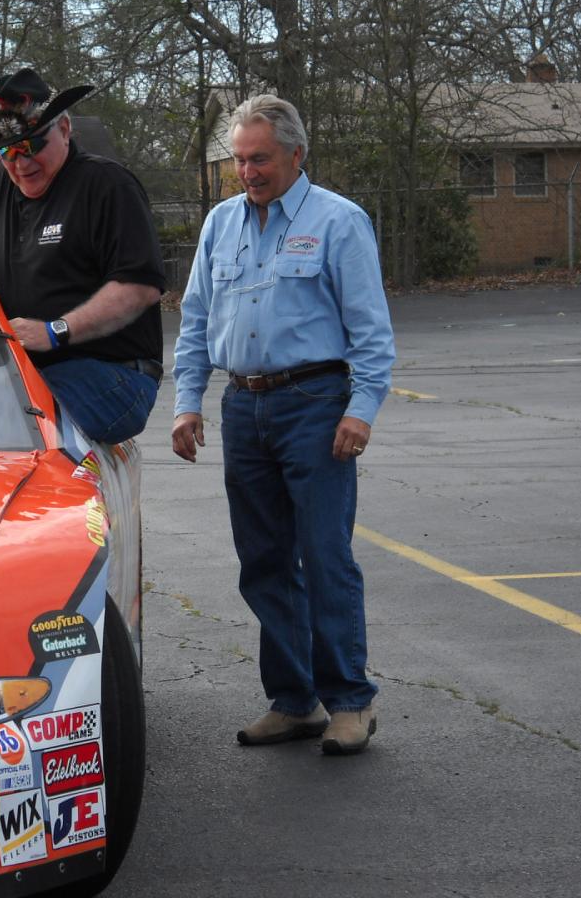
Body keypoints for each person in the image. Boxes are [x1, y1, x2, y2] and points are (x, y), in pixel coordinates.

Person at [171, 95, 395, 756]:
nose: (248, 170)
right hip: (244, 407)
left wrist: (363, 408)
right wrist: (189, 402)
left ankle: (351, 701)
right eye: (239, 159)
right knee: (264, 560)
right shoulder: (220, 224)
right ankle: (295, 701)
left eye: (260, 157)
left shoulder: (339, 222)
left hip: (316, 405)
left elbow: (371, 331)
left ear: (296, 155)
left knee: (324, 555)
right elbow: (194, 323)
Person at [0, 67, 166, 444]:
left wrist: (55, 331)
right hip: (27, 368)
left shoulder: (107, 185)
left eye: (32, 145)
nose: (21, 164)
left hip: (115, 375)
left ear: (65, 129)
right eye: (7, 151)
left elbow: (140, 288)